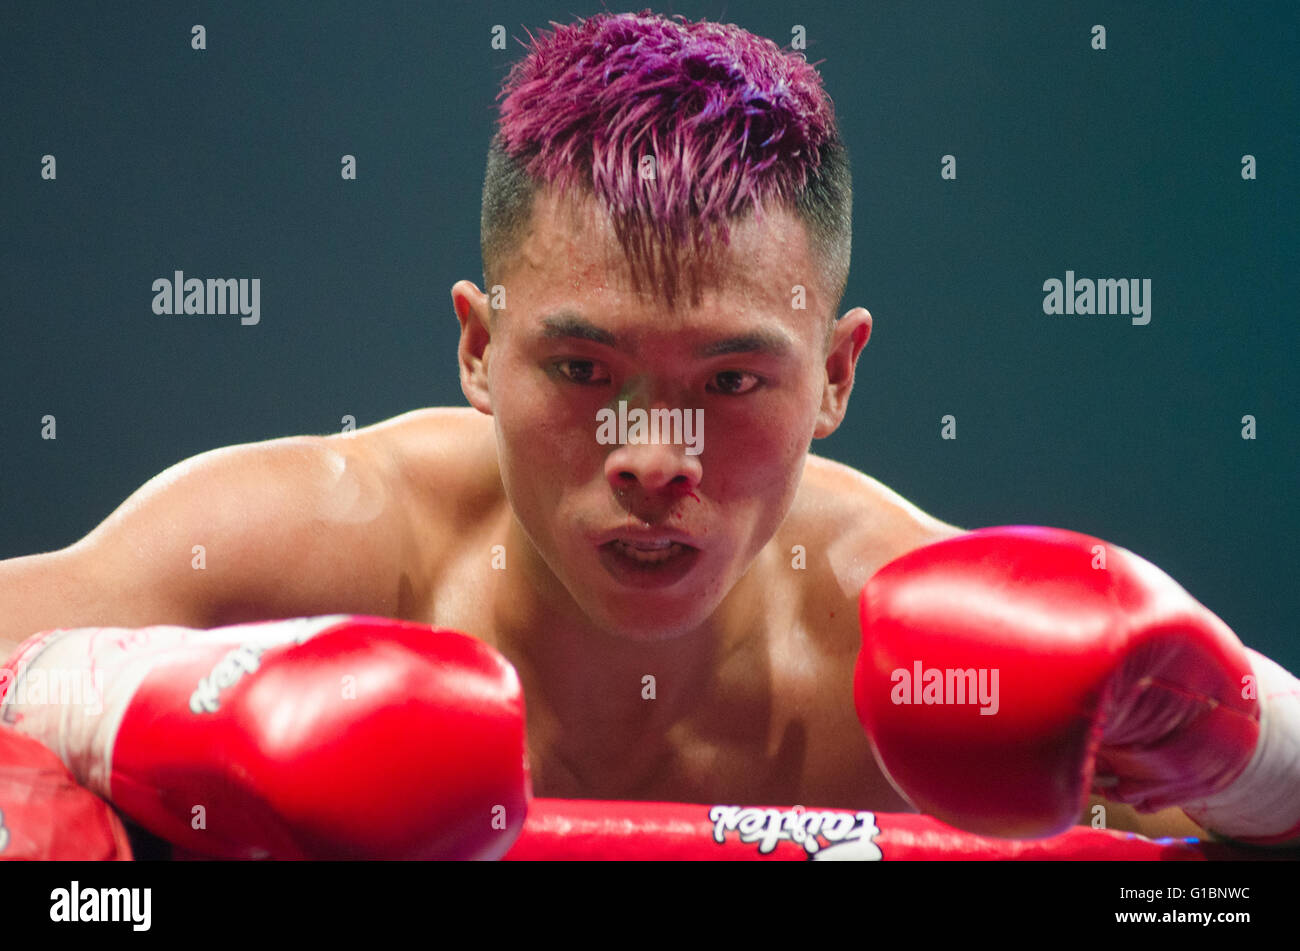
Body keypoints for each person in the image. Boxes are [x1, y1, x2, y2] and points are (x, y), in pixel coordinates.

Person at [1, 11, 1296, 860]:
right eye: (583, 367)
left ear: (836, 376)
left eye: (732, 381)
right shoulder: (287, 551)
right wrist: (121, 707)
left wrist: (1247, 737)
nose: (658, 451)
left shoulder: (922, 666)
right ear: (476, 352)